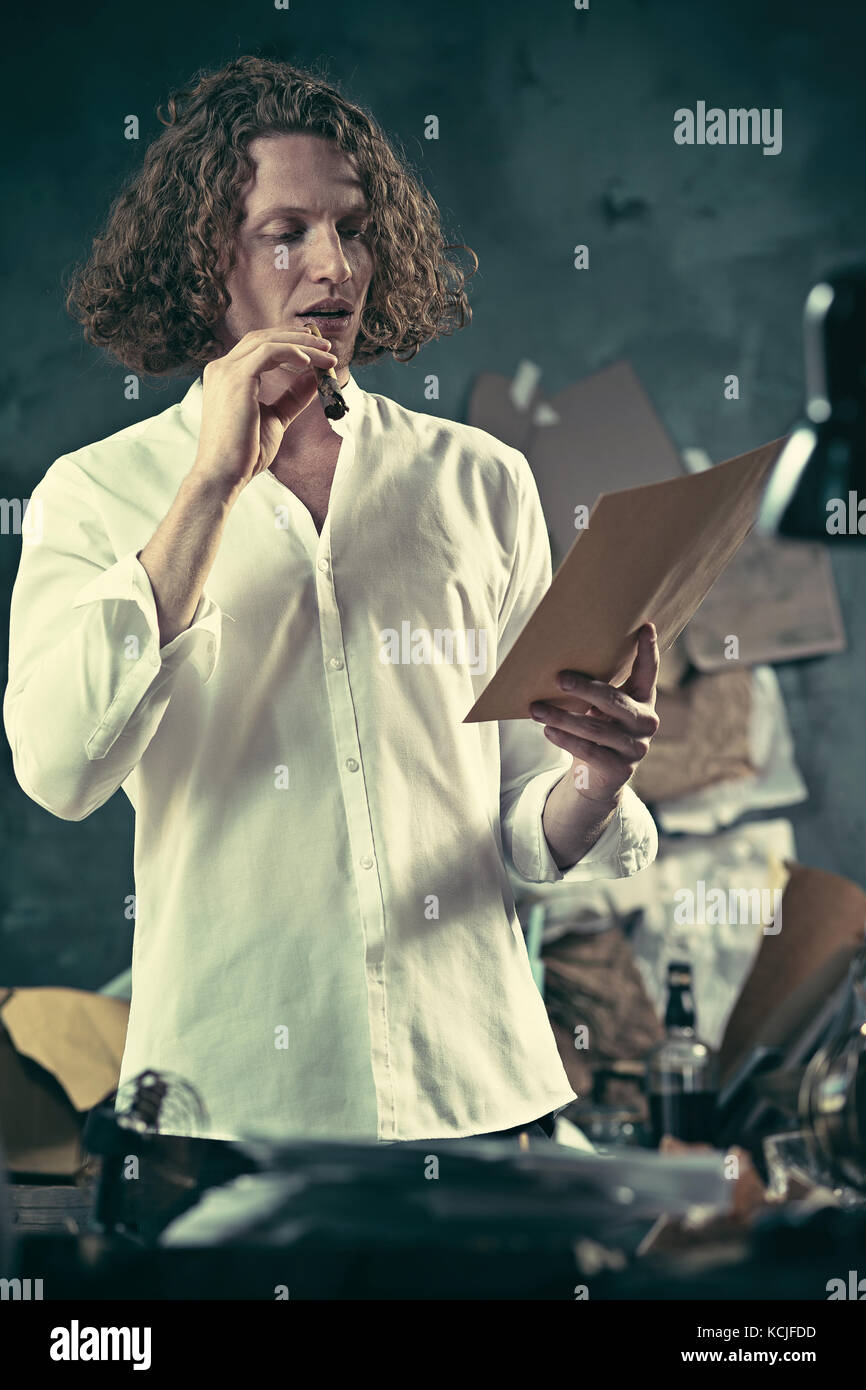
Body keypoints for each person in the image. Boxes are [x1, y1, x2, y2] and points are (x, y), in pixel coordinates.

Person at [3, 56, 660, 1145]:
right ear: (200, 262)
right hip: (229, 1105)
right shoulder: (97, 492)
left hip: (476, 1094)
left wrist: (594, 777)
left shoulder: (479, 479)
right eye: (285, 232)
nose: (334, 266)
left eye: (352, 229)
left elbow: (517, 822)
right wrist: (210, 485)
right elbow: (61, 770)